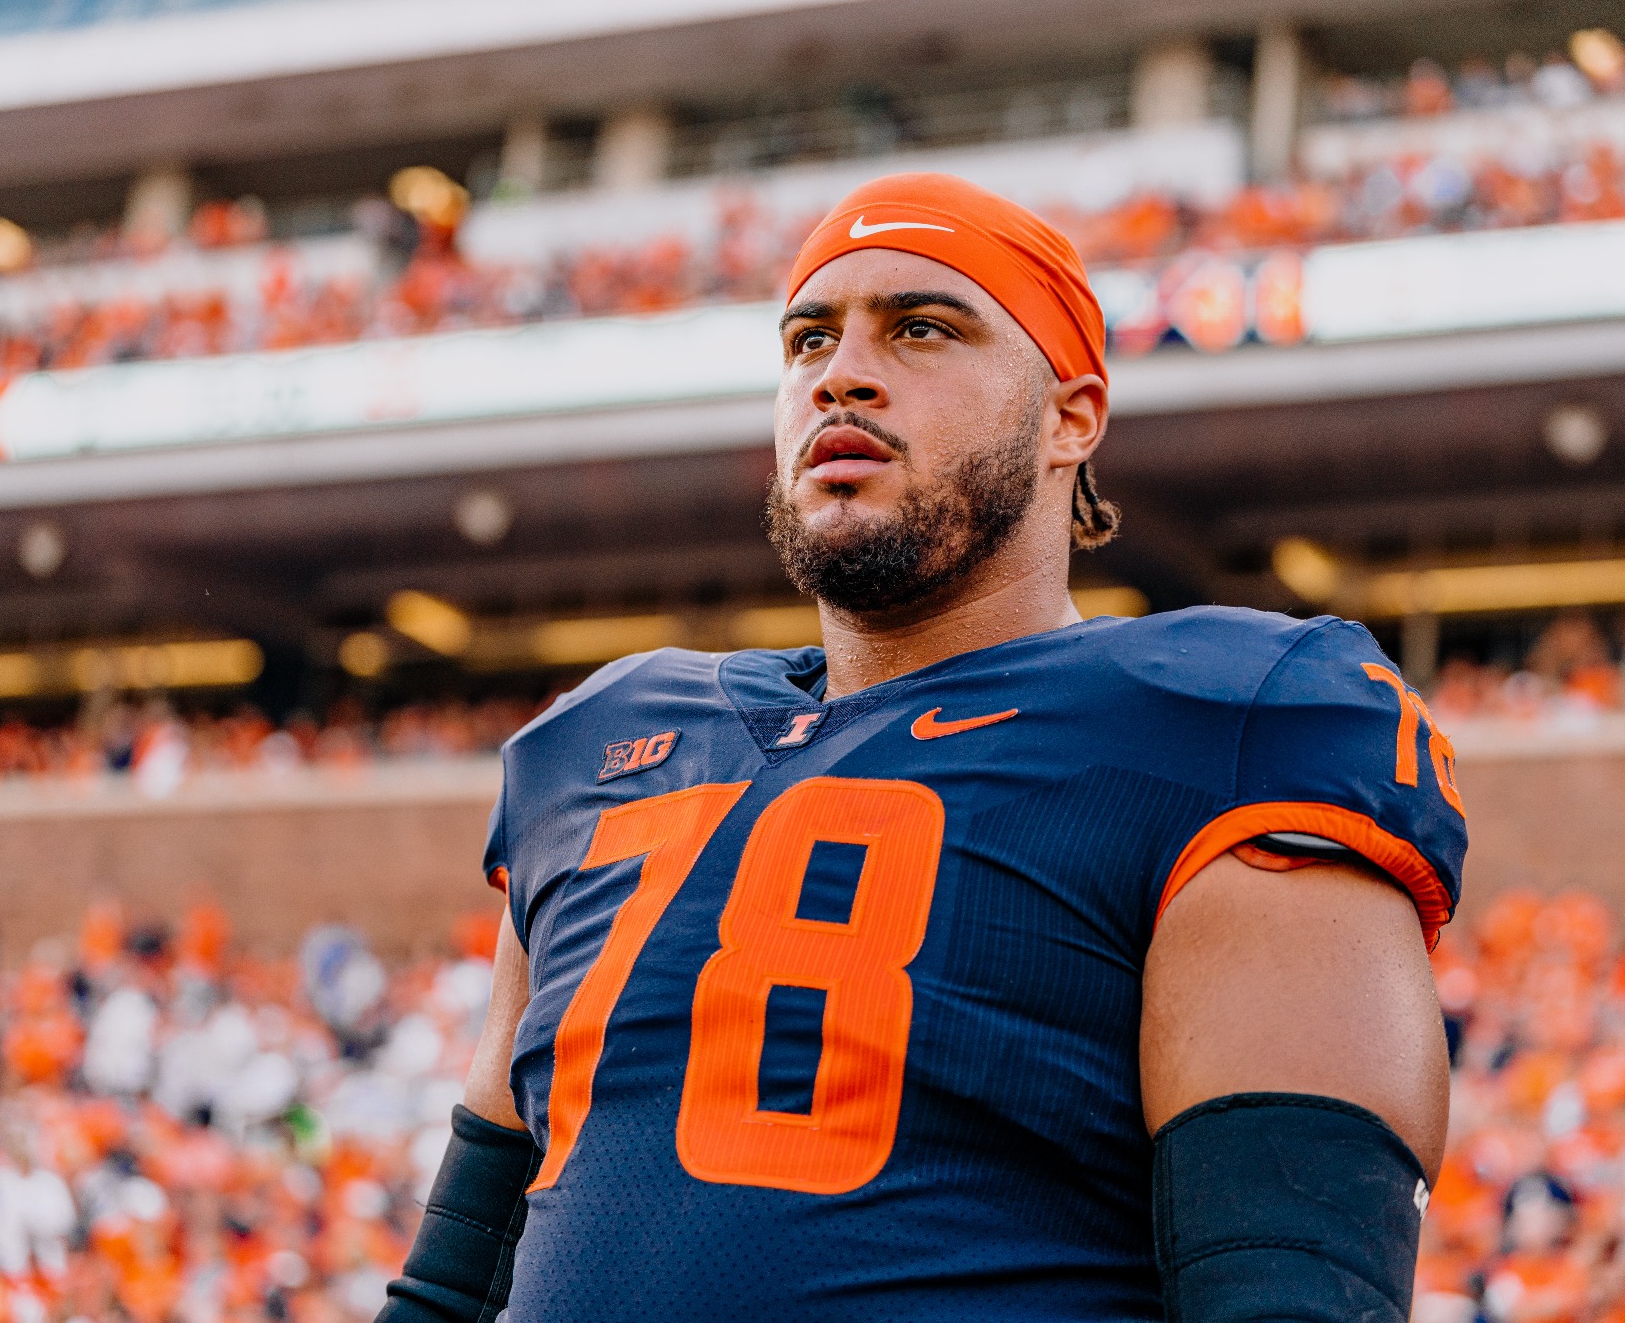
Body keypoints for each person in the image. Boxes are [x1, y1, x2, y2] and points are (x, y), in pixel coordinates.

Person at [379, 173, 1466, 1321]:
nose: (838, 371)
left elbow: (1286, 1290)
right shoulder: (597, 742)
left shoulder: (1226, 721)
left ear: (1069, 416)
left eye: (920, 328)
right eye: (807, 339)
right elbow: (452, 1280)